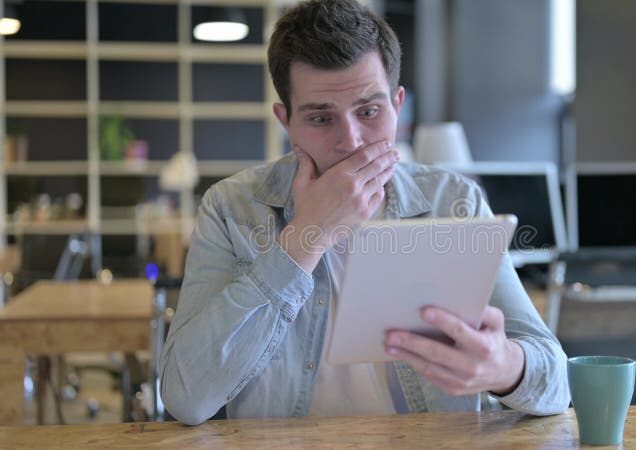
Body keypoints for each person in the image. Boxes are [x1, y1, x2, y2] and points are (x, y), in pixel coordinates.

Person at [160, 0, 569, 425]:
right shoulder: (231, 208)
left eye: (369, 112)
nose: (351, 141)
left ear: (397, 104)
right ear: (286, 121)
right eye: (321, 118)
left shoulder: (454, 199)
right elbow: (186, 398)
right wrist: (307, 236)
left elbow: (556, 381)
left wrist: (506, 368)